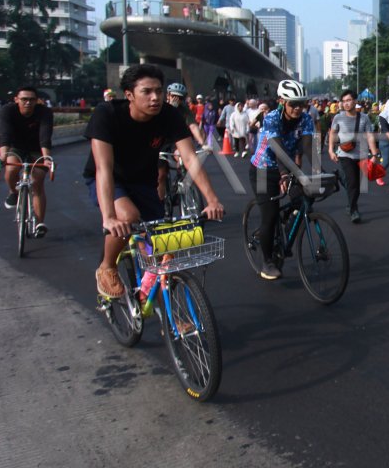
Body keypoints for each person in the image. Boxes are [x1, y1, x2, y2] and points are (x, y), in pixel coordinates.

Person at [86, 65, 224, 300]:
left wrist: (212, 200)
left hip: (144, 182)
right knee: (128, 217)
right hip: (111, 180)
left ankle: (170, 314)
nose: (155, 97)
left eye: (159, 91)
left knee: (164, 252)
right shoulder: (106, 114)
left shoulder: (169, 115)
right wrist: (109, 217)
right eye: (147, 91)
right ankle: (107, 267)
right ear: (129, 94)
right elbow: (103, 169)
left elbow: (190, 158)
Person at [248, 80, 317, 279]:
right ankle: (267, 261)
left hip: (289, 167)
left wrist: (319, 172)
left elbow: (308, 147)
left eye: (302, 104)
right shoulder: (271, 118)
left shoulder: (305, 119)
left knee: (305, 200)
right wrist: (285, 174)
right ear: (281, 101)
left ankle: (285, 232)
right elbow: (277, 149)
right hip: (263, 170)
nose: (298, 108)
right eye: (293, 104)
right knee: (269, 216)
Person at [0, 85, 54, 237]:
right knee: (11, 170)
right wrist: (3, 156)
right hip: (17, 148)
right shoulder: (8, 111)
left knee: (37, 182)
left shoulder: (44, 112)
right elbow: (5, 135)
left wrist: (46, 158)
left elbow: (45, 136)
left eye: (31, 100)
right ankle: (12, 192)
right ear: (16, 100)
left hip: (37, 149)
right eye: (24, 99)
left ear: (37, 101)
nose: (28, 103)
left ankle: (39, 223)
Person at [328, 89, 378, 224]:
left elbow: (370, 136)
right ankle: (353, 209)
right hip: (345, 154)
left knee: (358, 184)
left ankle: (350, 202)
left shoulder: (364, 118)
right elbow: (332, 133)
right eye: (344, 101)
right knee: (353, 183)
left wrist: (374, 154)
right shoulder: (338, 117)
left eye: (349, 100)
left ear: (355, 101)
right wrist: (331, 150)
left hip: (361, 155)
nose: (346, 104)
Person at [158, 82, 208, 201]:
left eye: (180, 97)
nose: (177, 100)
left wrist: (203, 143)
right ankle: (160, 204)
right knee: (161, 175)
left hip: (176, 142)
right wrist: (171, 109)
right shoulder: (160, 107)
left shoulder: (184, 110)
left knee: (182, 158)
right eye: (174, 96)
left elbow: (193, 126)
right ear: (168, 95)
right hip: (160, 142)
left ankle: (182, 181)